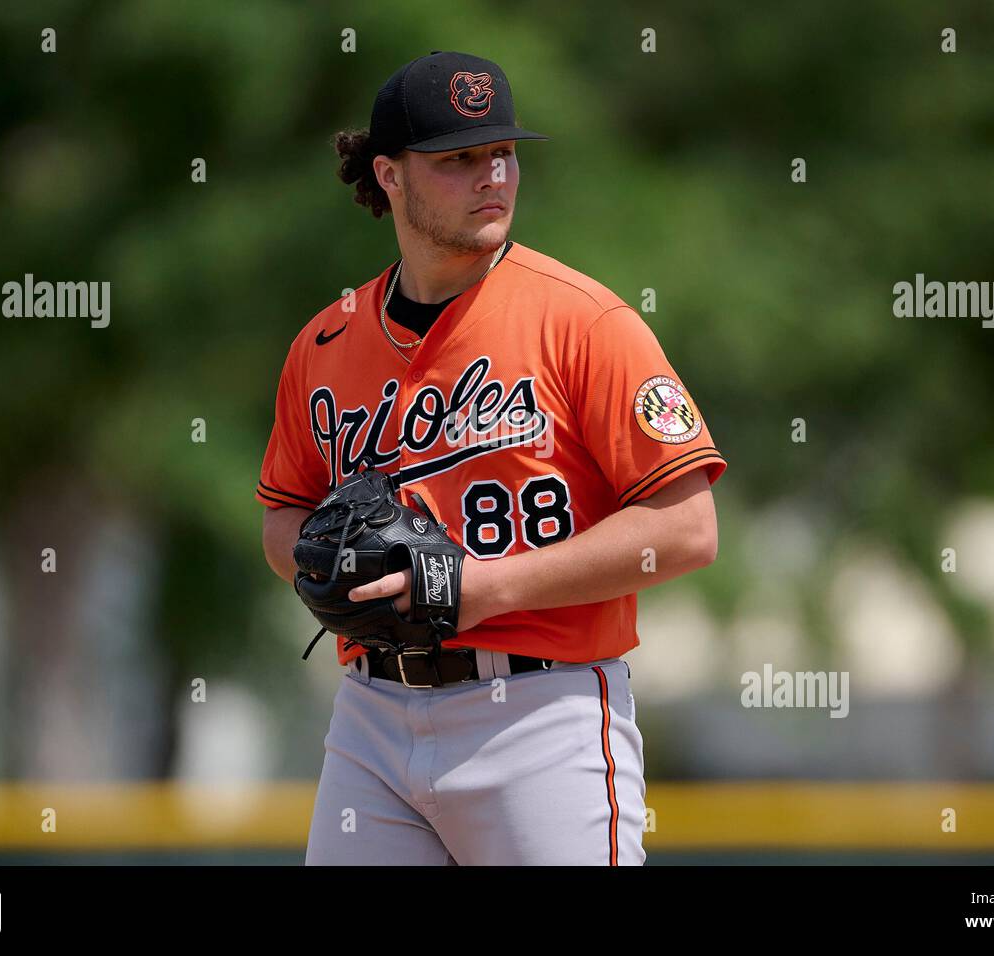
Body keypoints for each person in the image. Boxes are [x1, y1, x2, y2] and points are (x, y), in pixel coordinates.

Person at [257, 51, 726, 865]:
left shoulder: (584, 322)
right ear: (389, 176)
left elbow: (687, 528)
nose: (493, 177)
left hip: (543, 711)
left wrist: (483, 589)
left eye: (503, 153)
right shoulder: (325, 342)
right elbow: (282, 513)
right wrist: (326, 569)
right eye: (458, 159)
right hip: (372, 711)